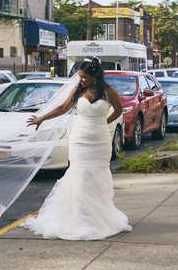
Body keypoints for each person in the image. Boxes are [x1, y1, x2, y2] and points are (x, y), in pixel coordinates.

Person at [23, 57, 132, 240]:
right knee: (79, 176)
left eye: (83, 76)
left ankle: (97, 218)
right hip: (80, 139)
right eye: (79, 76)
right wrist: (42, 118)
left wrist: (104, 123)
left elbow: (119, 111)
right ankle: (79, 219)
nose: (80, 79)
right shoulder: (78, 91)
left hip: (100, 141)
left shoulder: (109, 91)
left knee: (97, 178)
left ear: (94, 75)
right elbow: (63, 107)